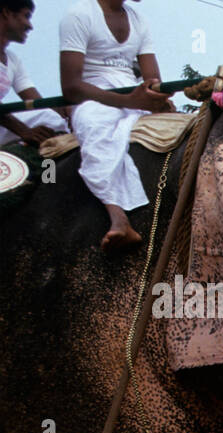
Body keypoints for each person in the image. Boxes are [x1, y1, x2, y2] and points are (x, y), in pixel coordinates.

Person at [59, 0, 171, 251]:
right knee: (96, 133)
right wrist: (127, 100)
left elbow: (153, 79)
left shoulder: (139, 20)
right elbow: (71, 87)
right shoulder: (79, 14)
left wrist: (156, 98)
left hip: (134, 97)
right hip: (92, 100)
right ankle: (118, 217)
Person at [0, 0, 70, 147]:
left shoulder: (13, 60)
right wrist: (25, 131)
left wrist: (68, 111)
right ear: (6, 13)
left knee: (52, 119)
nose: (30, 26)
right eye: (26, 16)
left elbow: (38, 103)